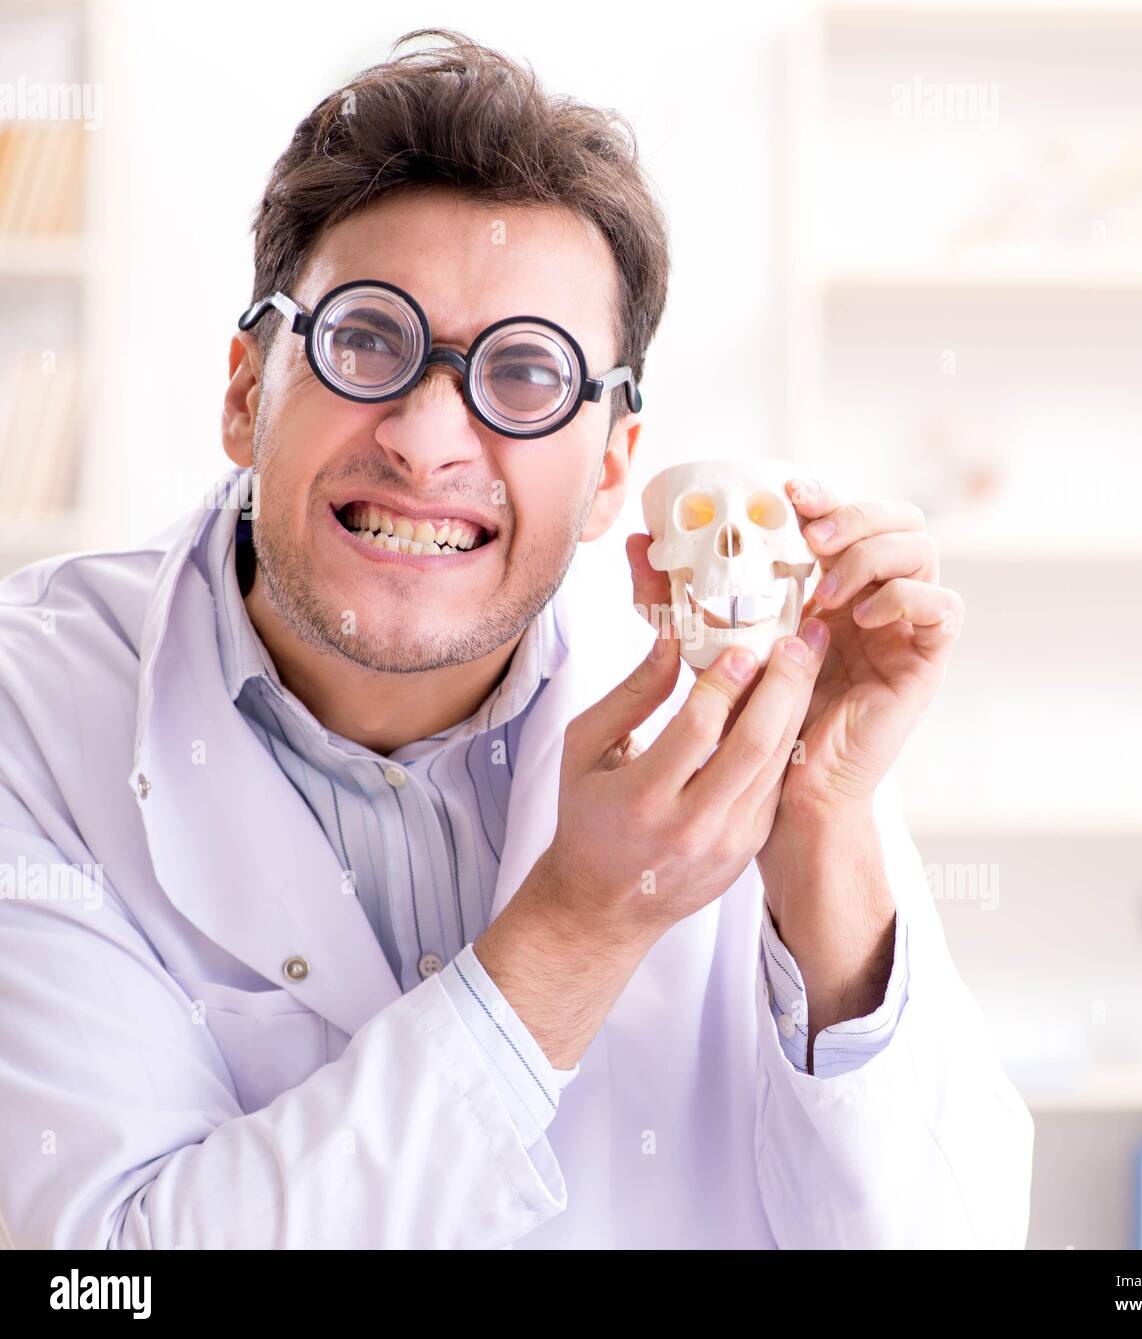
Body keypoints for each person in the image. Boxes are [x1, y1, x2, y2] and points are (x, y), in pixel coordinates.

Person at [0, 27, 1032, 1249]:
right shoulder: (36, 709)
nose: (428, 443)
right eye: (368, 340)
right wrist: (577, 929)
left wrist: (822, 833)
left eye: (528, 375)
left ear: (613, 472)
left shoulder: (734, 698)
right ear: (245, 391)